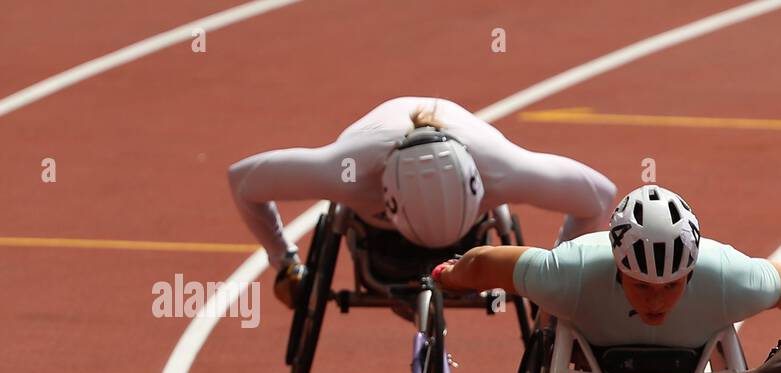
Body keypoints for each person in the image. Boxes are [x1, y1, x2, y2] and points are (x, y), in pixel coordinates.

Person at [432, 183, 781, 373]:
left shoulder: (728, 276)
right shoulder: (570, 271)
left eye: (671, 285)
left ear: (691, 272)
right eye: (641, 285)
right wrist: (453, 276)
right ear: (617, 268)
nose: (655, 301)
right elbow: (485, 265)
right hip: (594, 372)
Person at [227, 96, 618, 307]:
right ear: (387, 196)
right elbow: (242, 180)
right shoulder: (345, 172)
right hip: (382, 241)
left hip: (468, 244)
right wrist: (286, 264)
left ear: (477, 187)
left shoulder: (503, 169)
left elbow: (599, 195)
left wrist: (552, 284)